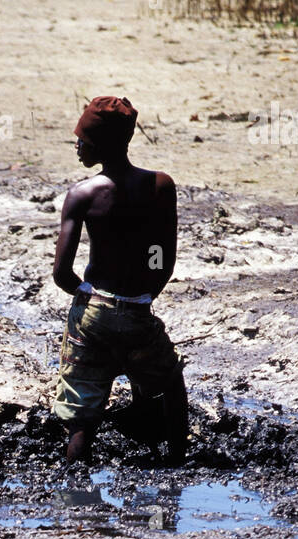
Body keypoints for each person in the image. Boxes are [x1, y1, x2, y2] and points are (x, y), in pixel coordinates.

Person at [51, 95, 188, 467]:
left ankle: (75, 491)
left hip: (93, 312)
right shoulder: (160, 186)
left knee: (83, 414)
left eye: (83, 140)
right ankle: (177, 464)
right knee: (171, 383)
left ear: (99, 145)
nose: (77, 145)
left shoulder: (82, 194)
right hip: (136, 310)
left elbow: (61, 272)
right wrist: (145, 293)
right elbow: (161, 256)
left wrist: (87, 295)